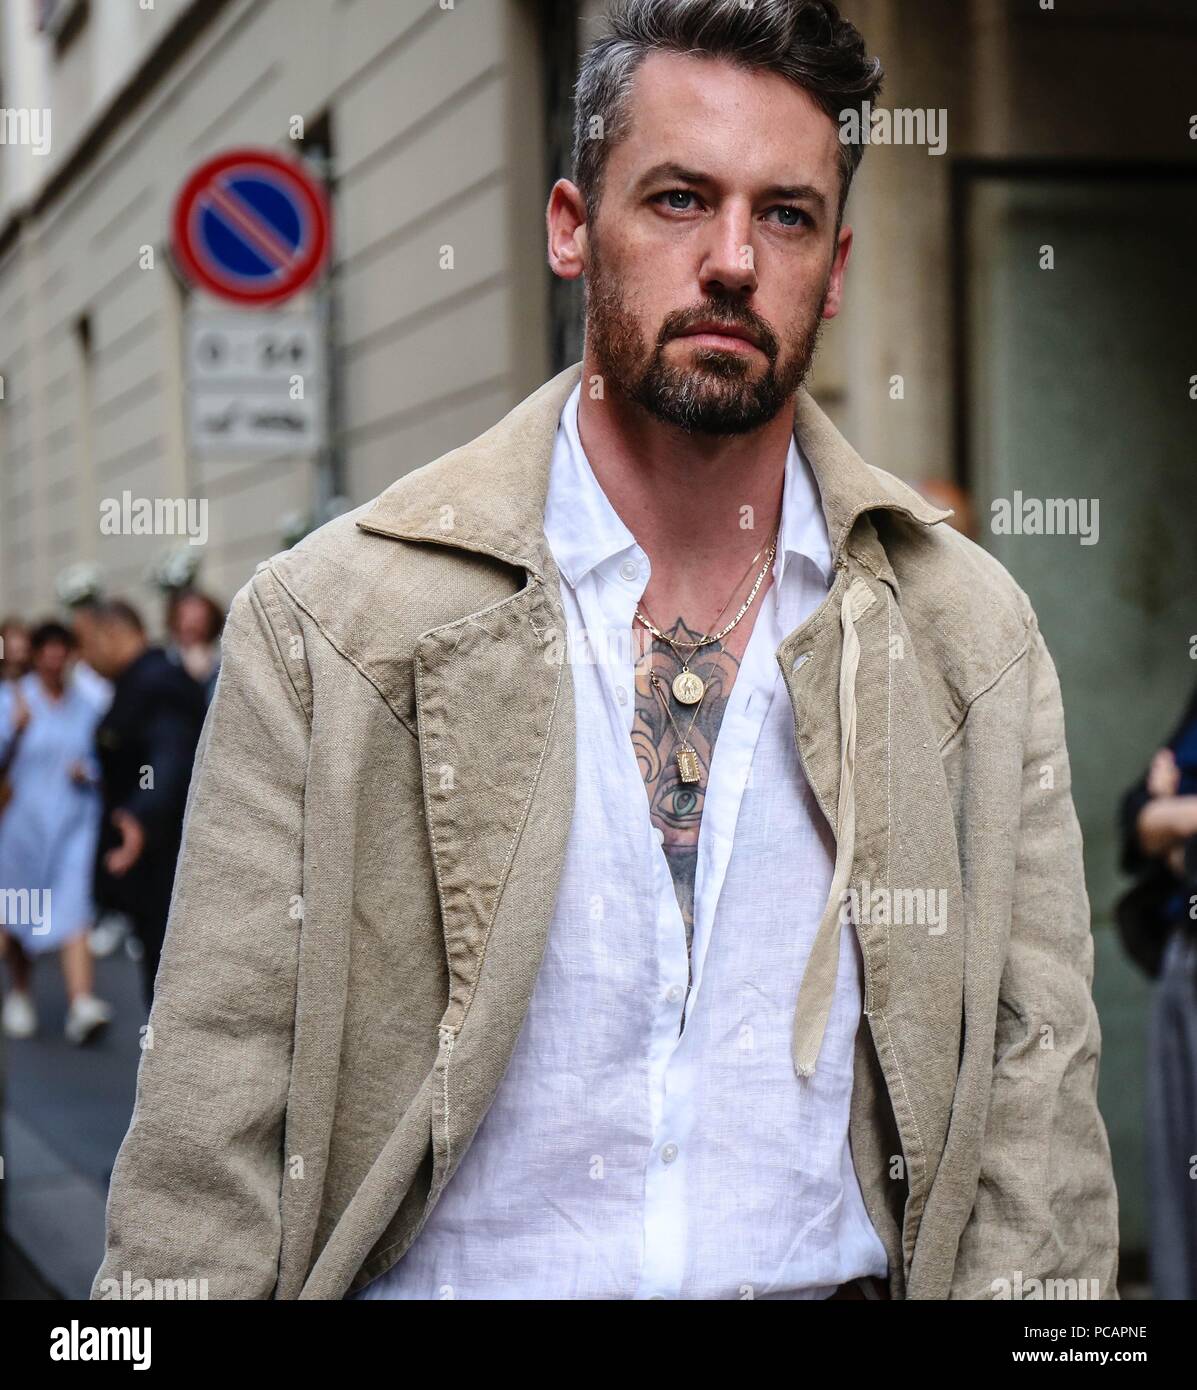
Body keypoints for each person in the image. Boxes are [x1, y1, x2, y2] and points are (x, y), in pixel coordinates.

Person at [91, 0, 1117, 1301]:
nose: (734, 259)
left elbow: (1037, 1120)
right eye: (680, 199)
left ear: (837, 263)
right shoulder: (336, 623)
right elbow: (211, 1130)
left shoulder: (965, 632)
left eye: (785, 214)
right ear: (572, 226)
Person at [71, 600, 207, 1010]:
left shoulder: (156, 682)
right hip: (152, 863)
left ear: (110, 634)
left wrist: (138, 817)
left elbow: (165, 757)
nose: (83, 656)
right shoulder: (140, 680)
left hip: (164, 861)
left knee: (170, 982)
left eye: (83, 642)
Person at [1118, 682, 1197, 1299]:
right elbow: (1135, 816)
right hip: (1182, 951)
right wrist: (1163, 821)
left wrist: (1172, 817)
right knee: (1177, 1169)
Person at [0, 621, 113, 1043]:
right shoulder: (14, 698)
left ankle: (81, 1002)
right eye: (46, 648)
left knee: (73, 906)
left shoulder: (84, 704)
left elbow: (105, 756)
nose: (54, 656)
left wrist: (90, 772)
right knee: (22, 910)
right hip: (22, 825)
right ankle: (21, 992)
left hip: (73, 822)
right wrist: (16, 731)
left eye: (61, 648)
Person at [164, 589, 224, 706]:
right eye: (185, 618)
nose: (192, 625)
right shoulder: (164, 661)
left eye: (199, 620)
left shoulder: (219, 666)